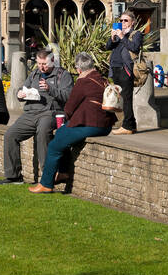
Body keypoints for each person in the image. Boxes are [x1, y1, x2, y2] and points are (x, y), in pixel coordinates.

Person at [30, 52, 115, 193]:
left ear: (78, 69)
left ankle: (46, 184)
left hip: (91, 125)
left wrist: (65, 118)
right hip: (106, 126)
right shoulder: (102, 79)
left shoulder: (83, 81)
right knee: (62, 133)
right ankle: (63, 172)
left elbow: (70, 106)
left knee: (54, 146)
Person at [0, 47, 74, 185]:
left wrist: (50, 89)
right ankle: (14, 176)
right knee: (10, 134)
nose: (41, 67)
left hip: (51, 112)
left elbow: (69, 96)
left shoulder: (63, 75)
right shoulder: (34, 74)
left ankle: (47, 177)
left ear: (52, 61)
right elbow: (23, 89)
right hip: (31, 112)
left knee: (43, 133)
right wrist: (20, 94)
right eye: (39, 63)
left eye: (44, 64)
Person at [104, 12, 142, 134]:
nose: (122, 23)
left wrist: (122, 37)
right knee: (121, 97)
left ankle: (127, 127)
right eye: (121, 20)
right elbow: (108, 47)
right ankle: (131, 124)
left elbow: (134, 47)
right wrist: (112, 37)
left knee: (126, 98)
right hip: (115, 68)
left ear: (132, 22)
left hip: (125, 69)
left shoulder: (136, 34)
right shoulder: (119, 33)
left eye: (126, 20)